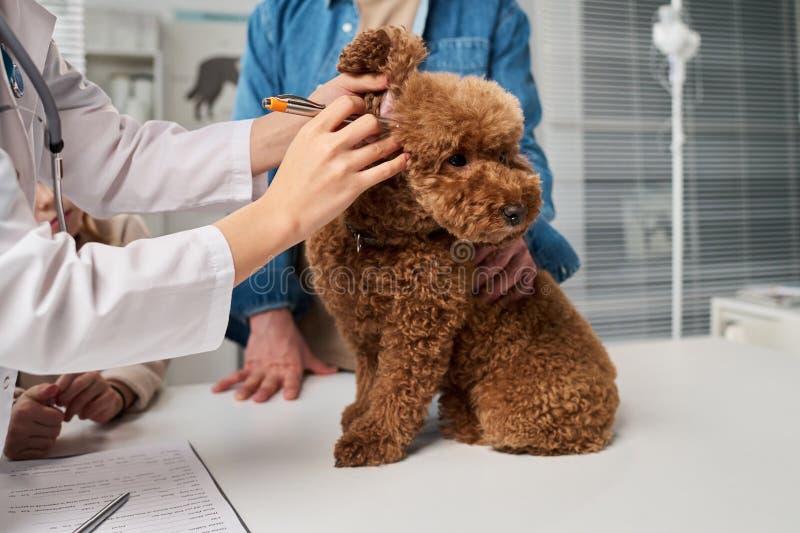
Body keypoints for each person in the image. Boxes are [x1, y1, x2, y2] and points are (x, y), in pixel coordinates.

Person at [0, 0, 407, 447]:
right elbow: (35, 299)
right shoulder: (282, 14)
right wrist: (280, 215)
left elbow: (116, 154)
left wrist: (294, 126)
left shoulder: (16, 27)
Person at [213, 0, 581, 403]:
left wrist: (517, 224)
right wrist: (266, 314)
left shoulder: (492, 12)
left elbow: (518, 145)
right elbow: (253, 168)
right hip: (309, 340)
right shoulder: (280, 16)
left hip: (448, 340)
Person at [3, 184, 168, 460]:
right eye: (21, 189)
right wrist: (6, 417)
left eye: (53, 174)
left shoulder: (122, 232)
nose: (48, 199)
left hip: (114, 440)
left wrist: (119, 389)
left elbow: (154, 332)